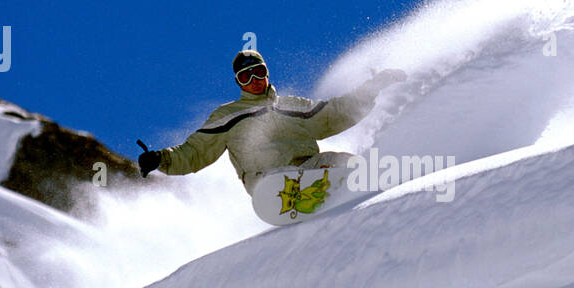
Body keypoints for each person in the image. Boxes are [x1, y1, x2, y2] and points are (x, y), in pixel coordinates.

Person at [137, 50, 405, 194]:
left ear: (267, 73)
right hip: (268, 178)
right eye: (246, 77)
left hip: (311, 168)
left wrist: (372, 88)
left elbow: (334, 113)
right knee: (283, 178)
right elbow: (195, 151)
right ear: (238, 83)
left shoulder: (291, 106)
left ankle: (361, 193)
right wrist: (161, 159)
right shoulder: (228, 115)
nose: (254, 81)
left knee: (349, 164)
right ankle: (293, 195)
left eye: (259, 73)